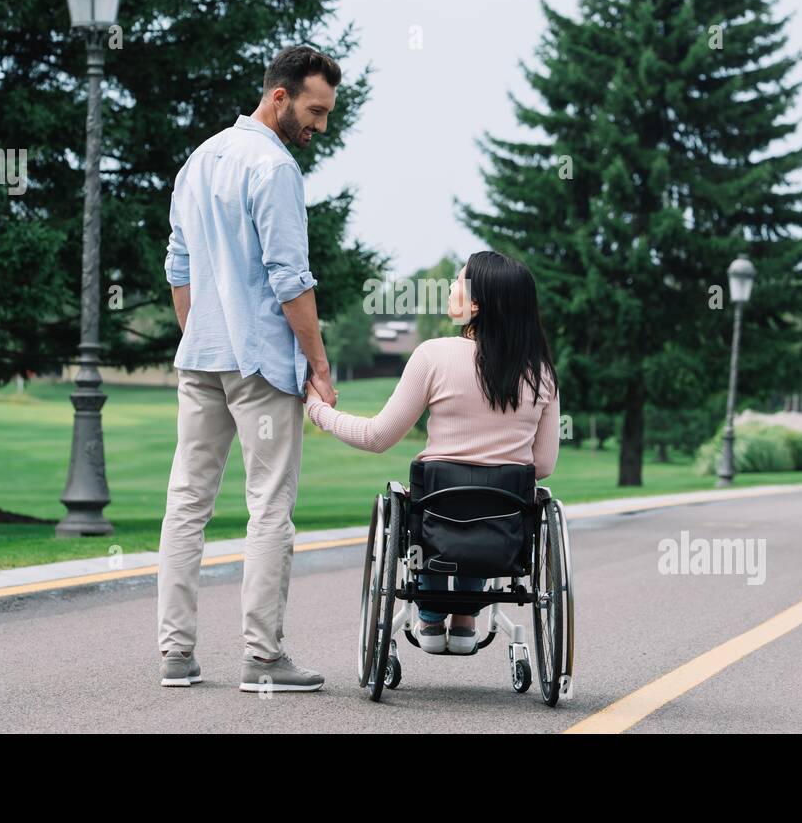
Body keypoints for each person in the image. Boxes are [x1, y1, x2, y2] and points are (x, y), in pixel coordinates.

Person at [156, 45, 342, 692]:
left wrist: (200, 332)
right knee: (268, 508)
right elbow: (291, 281)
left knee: (186, 504)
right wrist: (318, 364)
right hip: (260, 363)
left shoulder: (198, 159)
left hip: (201, 356)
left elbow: (178, 268)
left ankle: (175, 654)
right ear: (281, 96)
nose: (319, 127)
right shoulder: (276, 168)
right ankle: (263, 657)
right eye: (315, 112)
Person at [305, 251, 560, 655]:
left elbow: (377, 436)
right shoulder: (541, 371)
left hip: (437, 512)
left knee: (436, 502)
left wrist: (319, 413)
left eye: (458, 281)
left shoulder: (434, 355)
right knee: (488, 501)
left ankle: (430, 617)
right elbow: (542, 465)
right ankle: (465, 620)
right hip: (504, 525)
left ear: (476, 304)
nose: (449, 287)